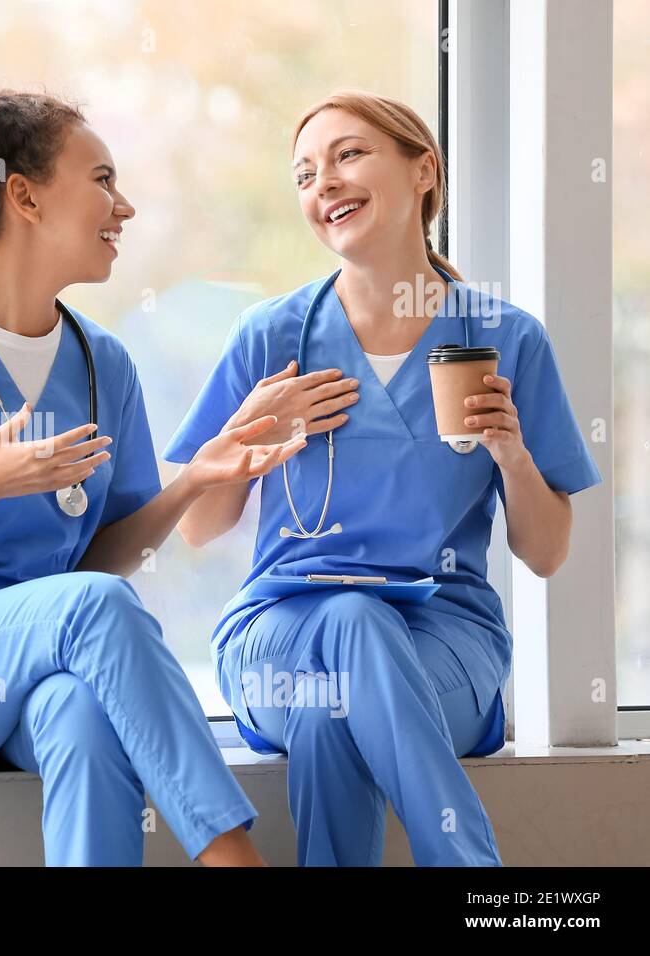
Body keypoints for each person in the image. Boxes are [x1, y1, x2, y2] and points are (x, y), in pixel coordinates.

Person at [0, 72, 307, 866]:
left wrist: (194, 483)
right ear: (27, 199)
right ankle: (233, 857)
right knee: (90, 611)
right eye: (103, 181)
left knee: (83, 713)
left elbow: (98, 562)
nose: (126, 207)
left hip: (36, 669)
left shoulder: (105, 367)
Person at [164, 90, 602, 866]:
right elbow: (199, 528)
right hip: (278, 639)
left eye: (348, 155)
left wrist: (512, 453)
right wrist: (249, 438)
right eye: (304, 174)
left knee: (342, 688)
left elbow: (547, 552)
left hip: (445, 645)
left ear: (423, 170)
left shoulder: (504, 338)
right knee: (347, 622)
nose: (323, 182)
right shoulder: (271, 338)